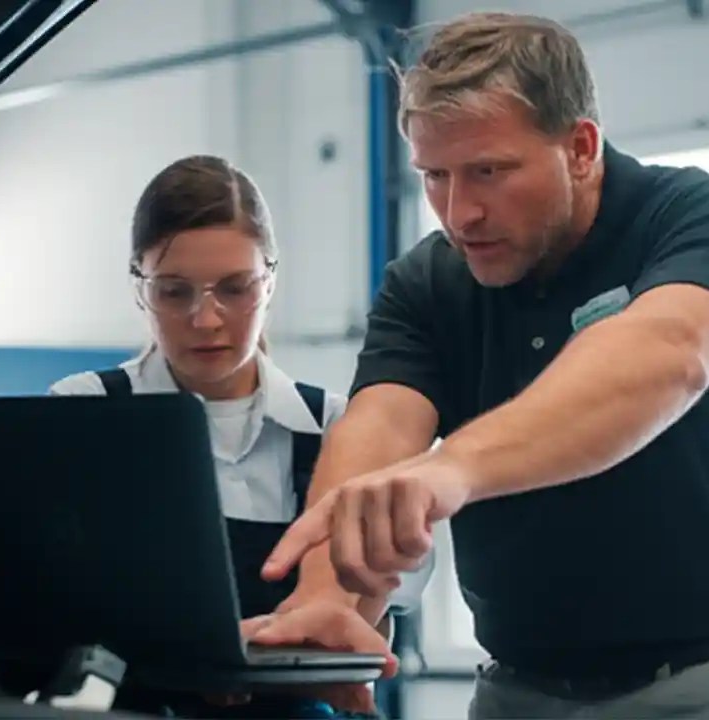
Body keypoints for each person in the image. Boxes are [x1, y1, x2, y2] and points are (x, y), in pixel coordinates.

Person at [249, 11, 709, 720]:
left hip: (707, 686)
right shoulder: (427, 283)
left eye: (489, 171)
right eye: (435, 176)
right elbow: (380, 426)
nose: (459, 213)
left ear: (580, 146)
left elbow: (670, 354)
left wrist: (449, 469)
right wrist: (324, 597)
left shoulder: (703, 215)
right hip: (516, 690)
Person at [49, 154, 432, 718]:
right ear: (139, 286)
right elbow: (45, 604)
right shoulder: (81, 413)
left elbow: (383, 602)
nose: (206, 319)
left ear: (269, 281)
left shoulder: (338, 428)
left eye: (235, 288)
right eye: (175, 292)